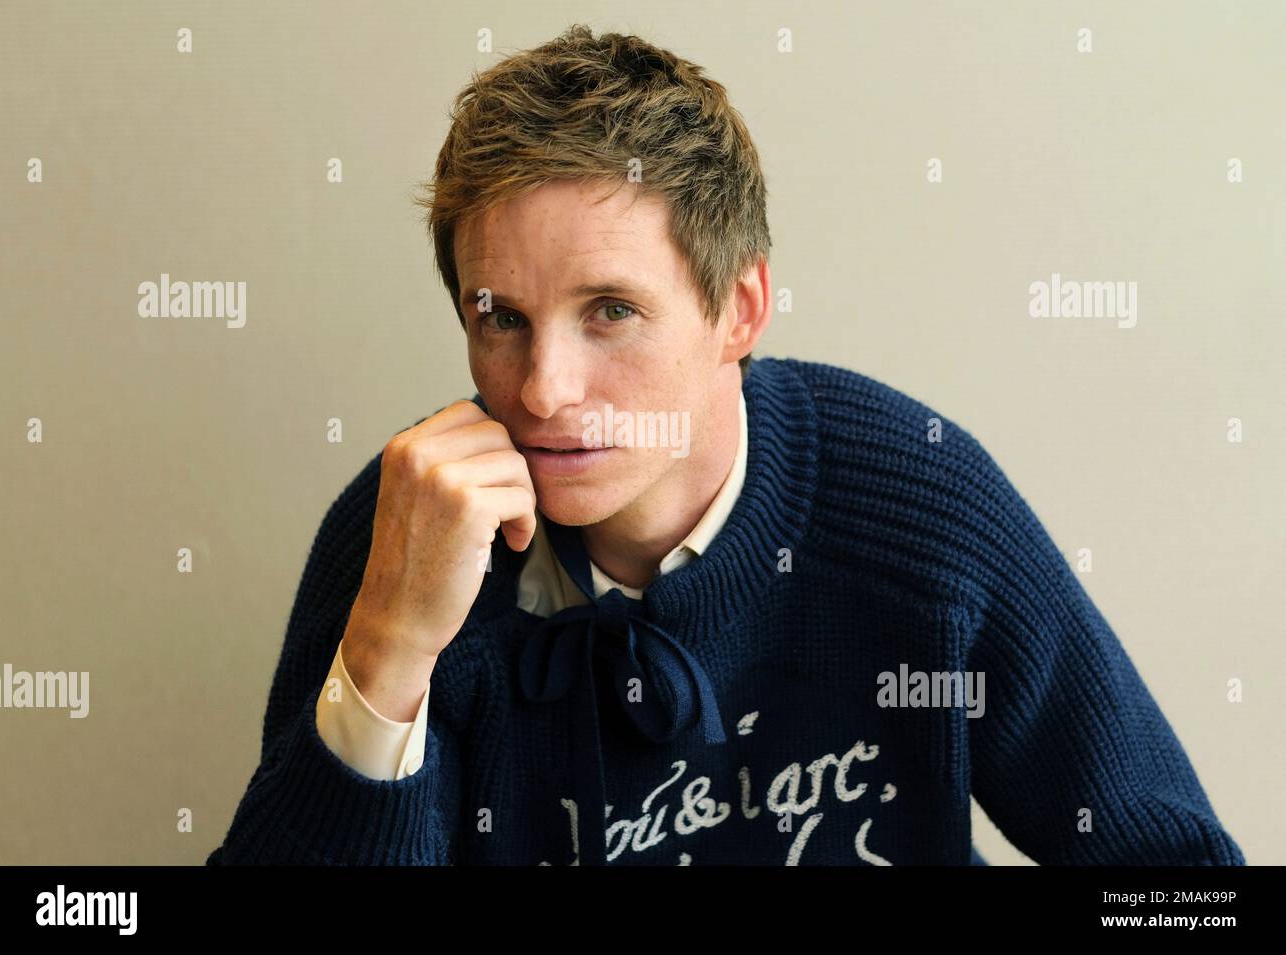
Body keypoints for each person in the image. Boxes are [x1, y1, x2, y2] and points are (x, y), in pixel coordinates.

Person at [208, 24, 1244, 866]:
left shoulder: (918, 498)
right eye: (501, 317)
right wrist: (389, 645)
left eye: (608, 309)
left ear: (738, 309)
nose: (543, 388)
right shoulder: (404, 528)